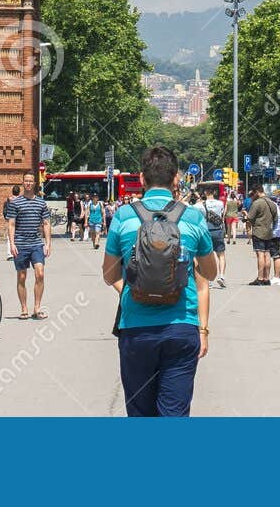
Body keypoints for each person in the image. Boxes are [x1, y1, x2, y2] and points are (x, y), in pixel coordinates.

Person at [102, 145, 217, 417]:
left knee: (140, 413)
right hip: (181, 327)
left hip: (136, 330)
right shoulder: (192, 217)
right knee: (174, 414)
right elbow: (210, 274)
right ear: (176, 178)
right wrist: (203, 330)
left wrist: (132, 288)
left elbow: (109, 275)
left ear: (142, 179)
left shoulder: (123, 216)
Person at [6, 174, 52, 318]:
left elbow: (46, 223)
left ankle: (37, 308)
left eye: (31, 181)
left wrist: (48, 243)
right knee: (22, 276)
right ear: (22, 183)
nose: (28, 183)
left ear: (34, 183)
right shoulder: (15, 203)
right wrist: (12, 244)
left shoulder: (41, 203)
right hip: (20, 244)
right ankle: (24, 308)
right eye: (26, 181)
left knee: (40, 273)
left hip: (36, 244)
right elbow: (11, 224)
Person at [245, 186, 280, 286]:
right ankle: (266, 278)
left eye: (253, 193)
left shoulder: (257, 203)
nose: (252, 196)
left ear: (257, 192)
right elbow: (275, 219)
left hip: (258, 231)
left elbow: (250, 217)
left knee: (260, 254)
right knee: (267, 254)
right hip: (269, 232)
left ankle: (260, 278)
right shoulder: (272, 203)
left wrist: (245, 216)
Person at [200, 192, 225, 284]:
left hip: (207, 231)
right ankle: (221, 276)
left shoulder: (202, 204)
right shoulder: (220, 203)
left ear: (205, 193)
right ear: (214, 193)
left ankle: (209, 280)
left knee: (209, 255)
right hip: (218, 230)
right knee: (221, 255)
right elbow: (222, 215)